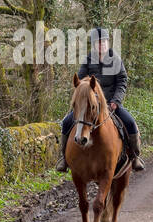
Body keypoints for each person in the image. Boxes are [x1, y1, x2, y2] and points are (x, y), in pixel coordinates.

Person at [55, 27, 145, 172]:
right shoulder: (88, 60)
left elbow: (122, 81)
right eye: (98, 42)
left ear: (107, 43)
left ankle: (135, 156)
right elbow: (81, 82)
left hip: (111, 104)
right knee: (66, 122)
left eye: (103, 42)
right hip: (90, 106)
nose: (101, 45)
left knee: (130, 122)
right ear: (94, 44)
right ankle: (64, 159)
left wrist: (116, 101)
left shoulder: (115, 59)